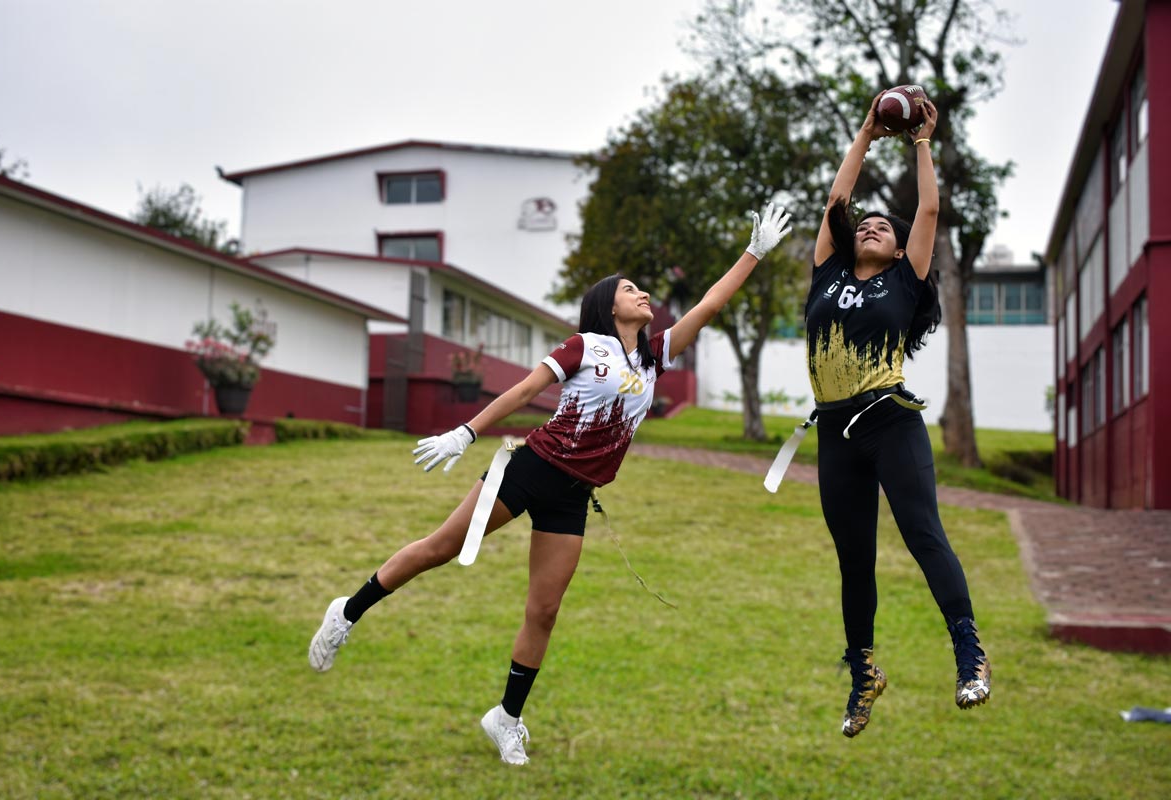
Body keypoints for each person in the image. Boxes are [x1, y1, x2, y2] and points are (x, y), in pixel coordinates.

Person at [308, 198, 793, 765]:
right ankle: (346, 612)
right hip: (530, 469)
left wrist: (753, 253)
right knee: (440, 548)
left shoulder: (656, 356)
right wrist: (465, 433)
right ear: (605, 306)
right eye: (630, 288)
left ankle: (506, 718)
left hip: (573, 496)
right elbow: (521, 391)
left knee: (544, 611)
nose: (643, 295)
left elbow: (709, 305)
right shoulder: (587, 346)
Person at [806, 93, 990, 738]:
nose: (873, 225)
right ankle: (863, 676)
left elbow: (930, 208)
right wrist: (863, 130)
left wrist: (919, 140)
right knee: (853, 560)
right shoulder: (826, 272)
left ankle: (968, 653)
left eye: (886, 225)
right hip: (834, 432)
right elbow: (836, 199)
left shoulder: (905, 279)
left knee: (922, 534)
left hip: (889, 422)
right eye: (868, 222)